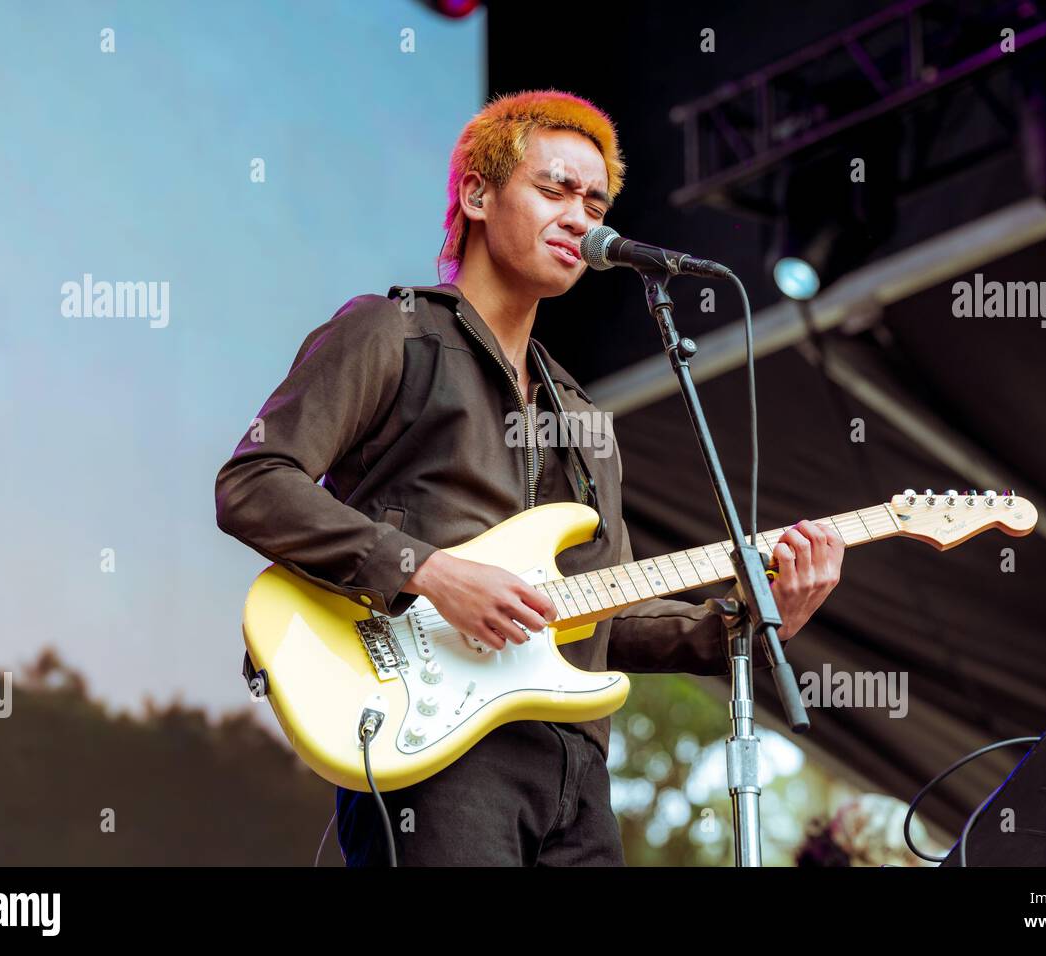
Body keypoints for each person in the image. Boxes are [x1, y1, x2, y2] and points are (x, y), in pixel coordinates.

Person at [214, 89, 845, 866]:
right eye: (554, 189)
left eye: (595, 200)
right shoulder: (390, 332)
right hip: (435, 747)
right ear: (477, 195)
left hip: (576, 776)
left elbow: (600, 615)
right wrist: (430, 571)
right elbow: (253, 482)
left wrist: (750, 617)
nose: (581, 216)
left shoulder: (581, 414)